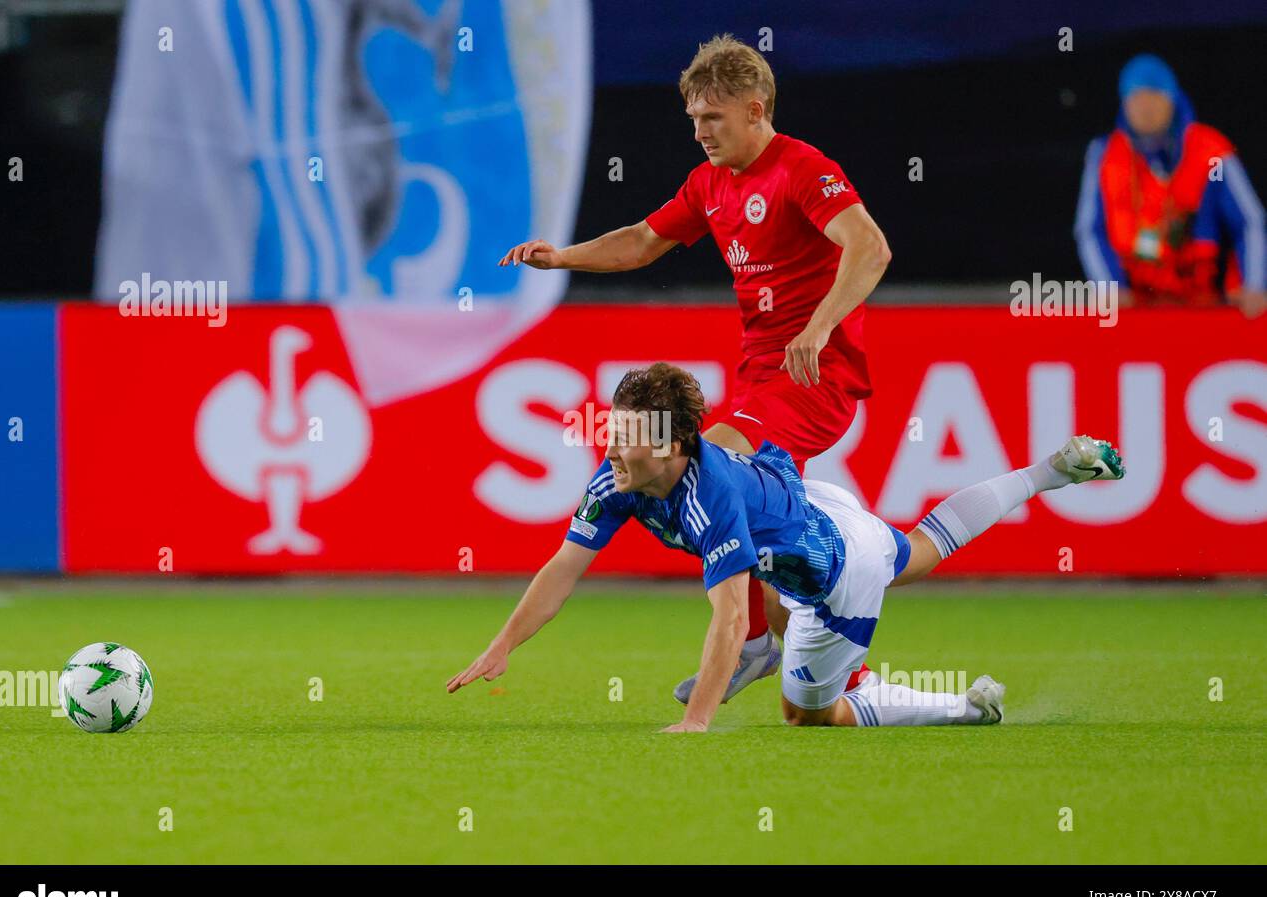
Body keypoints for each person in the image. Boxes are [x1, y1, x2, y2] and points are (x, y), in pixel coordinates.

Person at [498, 34, 893, 700]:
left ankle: (758, 644)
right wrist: (560, 257)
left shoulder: (802, 168)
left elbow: (871, 246)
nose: (701, 133)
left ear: (755, 108)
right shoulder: (709, 183)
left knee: (704, 467)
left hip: (811, 380)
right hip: (759, 377)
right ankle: (809, 653)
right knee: (762, 514)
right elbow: (643, 242)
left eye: (713, 118)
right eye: (693, 121)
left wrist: (819, 328)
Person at [447, 364, 1127, 732]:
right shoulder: (621, 475)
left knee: (810, 714)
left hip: (838, 570)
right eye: (612, 431)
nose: (612, 448)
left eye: (628, 437)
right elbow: (564, 567)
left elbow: (727, 615)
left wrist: (697, 721)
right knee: (909, 553)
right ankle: (1050, 473)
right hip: (810, 509)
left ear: (675, 446)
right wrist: (504, 643)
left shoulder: (706, 493)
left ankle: (967, 708)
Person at [1075, 53, 1266, 318]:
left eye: (1154, 96)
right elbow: (1089, 229)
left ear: (1172, 99)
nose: (1145, 108)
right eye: (1136, 98)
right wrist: (1109, 287)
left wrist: (1254, 284)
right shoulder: (1104, 154)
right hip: (1135, 304)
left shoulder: (1211, 152)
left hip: (1204, 303)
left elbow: (1250, 221)